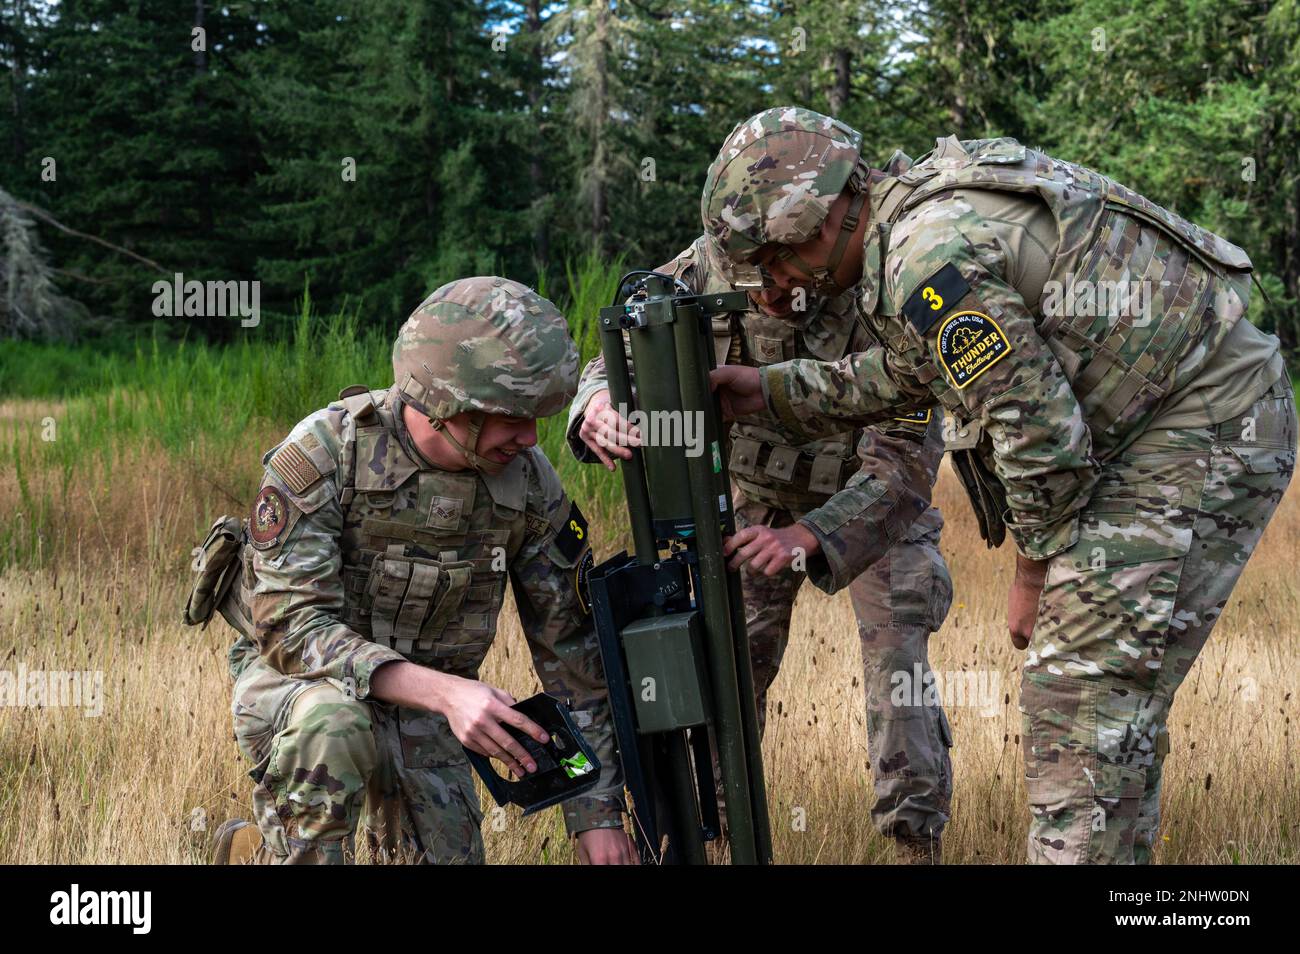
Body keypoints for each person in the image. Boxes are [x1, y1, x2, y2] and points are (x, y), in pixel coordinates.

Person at [706, 106, 1297, 864]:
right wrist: (772, 390)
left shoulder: (925, 259)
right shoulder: (917, 216)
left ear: (807, 229)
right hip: (1170, 416)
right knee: (1102, 710)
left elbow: (1040, 435)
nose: (777, 287)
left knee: (1079, 698)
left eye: (772, 264)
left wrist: (1033, 570)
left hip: (1199, 424)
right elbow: (915, 372)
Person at [211, 276, 635, 865]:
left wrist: (597, 813)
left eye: (538, 416)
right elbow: (292, 630)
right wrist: (448, 693)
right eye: (511, 416)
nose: (531, 436)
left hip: (431, 714)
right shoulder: (326, 453)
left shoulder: (529, 484)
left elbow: (571, 653)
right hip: (303, 690)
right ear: (443, 403)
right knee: (336, 725)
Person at [568, 224, 954, 863]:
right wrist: (598, 404)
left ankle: (913, 843)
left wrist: (809, 536)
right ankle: (722, 836)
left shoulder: (885, 276)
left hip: (873, 498)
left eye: (786, 273)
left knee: (898, 668)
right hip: (749, 496)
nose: (772, 291)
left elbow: (907, 461)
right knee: (726, 662)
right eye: (755, 277)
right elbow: (613, 357)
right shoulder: (699, 267)